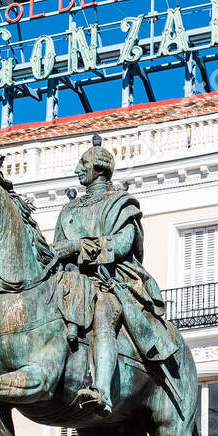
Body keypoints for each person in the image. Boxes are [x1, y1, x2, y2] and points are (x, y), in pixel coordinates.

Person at [52, 135, 176, 414]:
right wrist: (63, 250)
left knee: (103, 309)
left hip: (110, 282)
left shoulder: (121, 204)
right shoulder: (69, 210)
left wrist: (81, 247)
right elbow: (55, 249)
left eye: (83, 163)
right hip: (70, 282)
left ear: (99, 167)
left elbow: (122, 244)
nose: (77, 170)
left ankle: (102, 391)